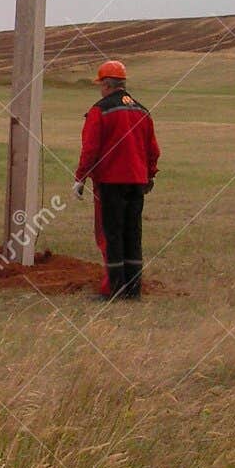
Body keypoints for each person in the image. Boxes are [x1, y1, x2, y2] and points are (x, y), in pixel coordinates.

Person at [74, 60, 159, 301]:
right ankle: (134, 290)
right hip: (137, 183)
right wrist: (149, 174)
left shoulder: (99, 110)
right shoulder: (142, 110)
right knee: (132, 234)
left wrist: (80, 177)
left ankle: (114, 290)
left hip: (110, 183)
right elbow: (153, 149)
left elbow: (90, 149)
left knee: (111, 235)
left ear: (105, 84)